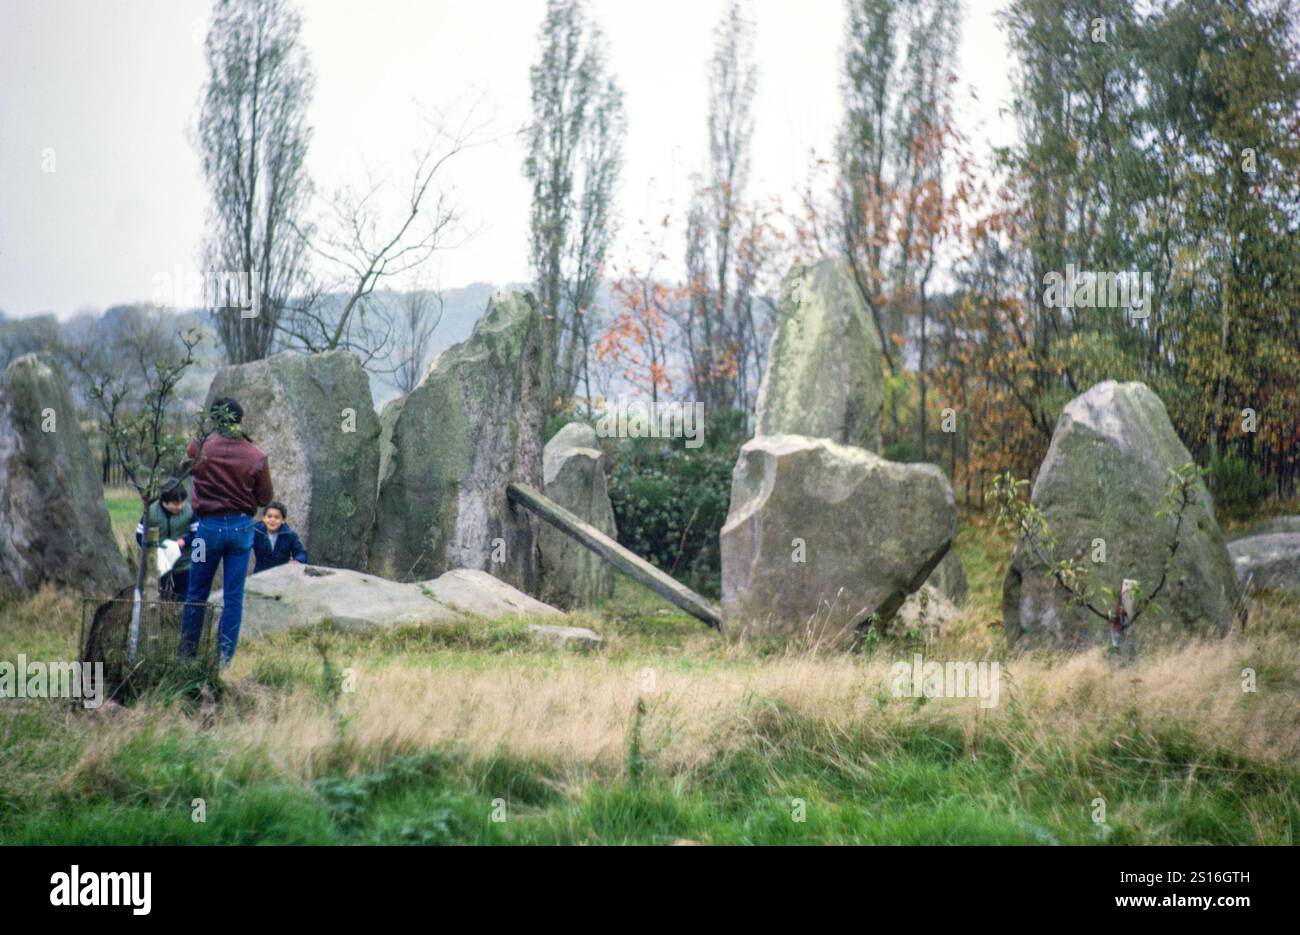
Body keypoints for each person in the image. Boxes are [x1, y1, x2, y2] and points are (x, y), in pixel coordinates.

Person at [179, 397, 273, 667]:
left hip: (205, 531)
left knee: (196, 592)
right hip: (241, 531)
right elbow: (265, 498)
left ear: (214, 420)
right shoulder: (256, 456)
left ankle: (186, 656)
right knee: (234, 598)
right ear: (240, 421)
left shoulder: (199, 447)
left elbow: (183, 470)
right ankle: (223, 662)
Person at [135, 478, 198, 602]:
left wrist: (185, 541)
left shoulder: (189, 511)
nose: (180, 507)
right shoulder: (151, 512)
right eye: (175, 503)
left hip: (184, 564)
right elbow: (139, 535)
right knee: (162, 597)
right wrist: (153, 548)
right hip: (159, 565)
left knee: (183, 597)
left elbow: (198, 533)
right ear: (164, 501)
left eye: (182, 502)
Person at [252, 501, 308, 573]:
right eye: (269, 516)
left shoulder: (289, 535)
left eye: (277, 517)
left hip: (282, 574)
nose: (272, 520)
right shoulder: (256, 532)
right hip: (260, 573)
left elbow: (301, 553)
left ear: (283, 520)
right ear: (264, 518)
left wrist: (297, 561)